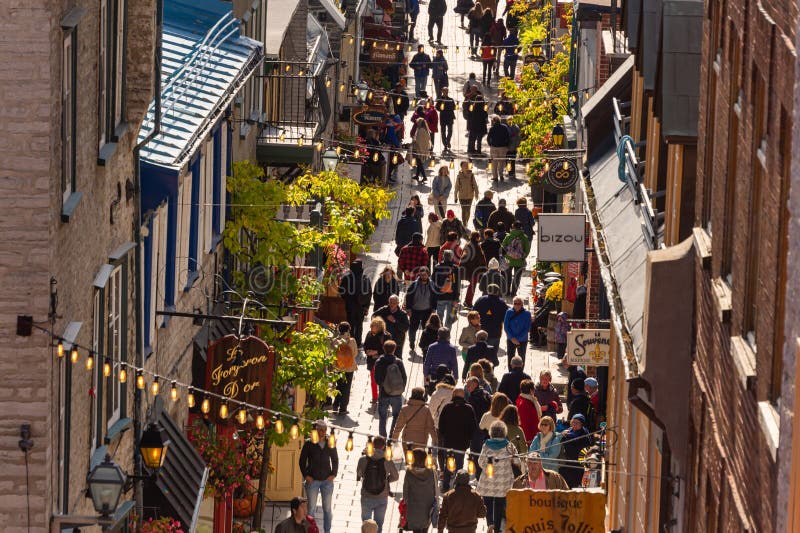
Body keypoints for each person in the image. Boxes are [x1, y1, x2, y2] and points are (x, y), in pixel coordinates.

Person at [476, 421, 519, 533]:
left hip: (488, 480)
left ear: (491, 432)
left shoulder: (486, 445)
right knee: (499, 506)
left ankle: (490, 523)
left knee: (488, 504)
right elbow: (517, 461)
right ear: (504, 432)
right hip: (503, 482)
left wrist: (489, 466)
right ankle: (497, 528)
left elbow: (480, 462)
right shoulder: (509, 446)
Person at [299, 421, 338, 533]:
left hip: (327, 480)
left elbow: (335, 459)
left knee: (327, 509)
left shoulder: (330, 442)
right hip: (313, 480)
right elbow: (302, 461)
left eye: (324, 430)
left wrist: (333, 474)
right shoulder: (309, 443)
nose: (323, 432)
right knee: (311, 509)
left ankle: (327, 531)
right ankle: (310, 531)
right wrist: (306, 475)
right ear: (316, 429)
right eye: (321, 430)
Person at [357, 436, 400, 533]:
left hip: (366, 495)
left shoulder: (363, 459)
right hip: (382, 496)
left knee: (366, 525)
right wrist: (386, 480)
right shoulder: (387, 460)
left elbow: (359, 474)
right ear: (384, 446)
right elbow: (396, 476)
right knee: (379, 524)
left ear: (372, 445)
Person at [438, 388, 478, 487]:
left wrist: (444, 436)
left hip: (448, 442)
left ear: (453, 395)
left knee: (447, 464)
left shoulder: (447, 407)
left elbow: (441, 425)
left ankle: (446, 485)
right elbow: (473, 427)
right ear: (463, 396)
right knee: (460, 464)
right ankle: (459, 486)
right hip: (462, 443)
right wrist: (469, 438)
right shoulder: (469, 408)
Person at [374, 340, 408, 437]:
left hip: (384, 393)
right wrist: (400, 388)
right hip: (397, 394)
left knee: (383, 417)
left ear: (383, 349)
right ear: (394, 349)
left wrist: (383, 385)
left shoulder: (379, 361)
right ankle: (392, 436)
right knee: (396, 416)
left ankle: (382, 437)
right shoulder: (398, 362)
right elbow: (404, 377)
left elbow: (377, 379)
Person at [403, 448, 439, 533]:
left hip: (414, 508)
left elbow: (405, 492)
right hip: (428, 508)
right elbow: (435, 488)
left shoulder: (409, 472)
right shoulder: (432, 472)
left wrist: (409, 504)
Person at [392, 387, 438, 451]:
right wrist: (435, 440)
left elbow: (398, 426)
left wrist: (394, 439)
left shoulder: (405, 409)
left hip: (407, 439)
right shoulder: (426, 410)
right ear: (422, 395)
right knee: (420, 459)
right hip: (422, 440)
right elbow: (431, 427)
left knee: (408, 459)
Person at [338, 259, 372, 347]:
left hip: (350, 305)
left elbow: (341, 291)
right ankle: (358, 342)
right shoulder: (365, 279)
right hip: (361, 306)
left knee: (351, 324)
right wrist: (367, 307)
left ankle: (350, 341)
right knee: (359, 324)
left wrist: (347, 299)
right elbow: (368, 294)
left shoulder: (347, 278)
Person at [404, 267, 436, 354]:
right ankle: (412, 343)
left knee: (426, 330)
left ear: (428, 275)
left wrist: (434, 309)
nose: (423, 277)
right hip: (415, 311)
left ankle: (424, 344)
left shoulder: (432, 284)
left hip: (427, 311)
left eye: (425, 275)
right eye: (421, 275)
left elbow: (435, 297)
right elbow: (408, 296)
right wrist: (408, 309)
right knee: (412, 329)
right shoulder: (414, 285)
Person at [364, 318, 392, 403]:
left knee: (383, 380)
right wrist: (367, 351)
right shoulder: (369, 334)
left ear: (379, 327)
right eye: (371, 325)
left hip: (383, 362)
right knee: (373, 380)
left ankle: (383, 397)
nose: (371, 327)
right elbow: (365, 345)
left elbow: (388, 349)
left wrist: (376, 352)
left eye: (373, 326)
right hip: (372, 361)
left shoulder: (386, 336)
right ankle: (374, 397)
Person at [332, 322, 358, 415]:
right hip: (349, 368)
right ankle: (343, 408)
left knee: (338, 386)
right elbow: (355, 354)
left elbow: (332, 354)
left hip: (338, 367)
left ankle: (335, 404)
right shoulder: (352, 341)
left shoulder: (335, 341)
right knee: (346, 388)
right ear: (348, 330)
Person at [560, 413, 591, 488]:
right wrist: (562, 435)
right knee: (566, 481)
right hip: (567, 460)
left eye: (577, 423)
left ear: (581, 424)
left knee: (576, 482)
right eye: (573, 422)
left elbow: (586, 448)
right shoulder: (568, 431)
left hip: (578, 462)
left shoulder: (584, 434)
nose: (574, 424)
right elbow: (561, 440)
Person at [472, 283, 508, 348]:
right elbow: (505, 318)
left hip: (480, 331)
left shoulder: (480, 300)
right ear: (497, 292)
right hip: (495, 333)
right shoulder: (502, 303)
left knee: (480, 353)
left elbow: (472, 313)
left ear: (488, 291)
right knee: (492, 354)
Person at [432, 250, 461, 327]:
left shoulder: (437, 267)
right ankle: (446, 335)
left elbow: (433, 281)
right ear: (452, 257)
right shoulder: (455, 269)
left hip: (440, 296)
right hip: (452, 297)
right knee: (450, 318)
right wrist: (457, 298)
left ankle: (439, 333)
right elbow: (458, 284)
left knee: (439, 317)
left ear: (443, 257)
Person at [502, 222, 531, 296]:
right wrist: (523, 257)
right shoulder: (524, 237)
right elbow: (527, 249)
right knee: (517, 277)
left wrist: (506, 256)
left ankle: (507, 291)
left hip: (508, 260)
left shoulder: (509, 236)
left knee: (507, 276)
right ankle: (513, 293)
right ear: (521, 228)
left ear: (513, 227)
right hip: (519, 261)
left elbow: (503, 246)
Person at [503, 297, 531, 368]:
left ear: (522, 304)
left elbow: (527, 328)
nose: (517, 305)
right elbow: (506, 326)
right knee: (510, 356)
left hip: (522, 340)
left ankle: (520, 371)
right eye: (515, 303)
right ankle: (510, 372)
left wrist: (518, 339)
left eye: (519, 304)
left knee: (522, 357)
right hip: (511, 339)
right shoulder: (509, 312)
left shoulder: (527, 313)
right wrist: (512, 338)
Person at [461, 232, 487, 308]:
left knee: (471, 286)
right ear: (477, 238)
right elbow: (482, 258)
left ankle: (466, 301)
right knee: (472, 286)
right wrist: (485, 267)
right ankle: (468, 302)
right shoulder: (477, 246)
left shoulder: (467, 244)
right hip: (474, 270)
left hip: (467, 268)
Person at [515, 379, 542, 444]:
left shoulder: (522, 400)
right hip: (528, 437)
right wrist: (530, 438)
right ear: (530, 390)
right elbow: (526, 423)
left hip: (528, 436)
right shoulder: (526, 403)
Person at [486, 115, 510, 182]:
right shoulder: (504, 127)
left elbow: (488, 138)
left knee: (494, 163)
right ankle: (501, 175)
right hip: (503, 147)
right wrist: (506, 145)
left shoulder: (492, 128)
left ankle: (495, 177)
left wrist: (490, 145)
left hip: (494, 147)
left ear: (494, 121)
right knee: (501, 162)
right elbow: (508, 137)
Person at [436, 87, 456, 153]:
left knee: (450, 131)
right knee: (443, 132)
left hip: (450, 117)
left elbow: (454, 107)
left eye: (446, 91)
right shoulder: (440, 100)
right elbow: (437, 108)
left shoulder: (451, 99)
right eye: (444, 91)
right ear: (442, 91)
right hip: (443, 117)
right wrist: (442, 105)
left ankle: (448, 141)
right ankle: (445, 145)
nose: (445, 92)